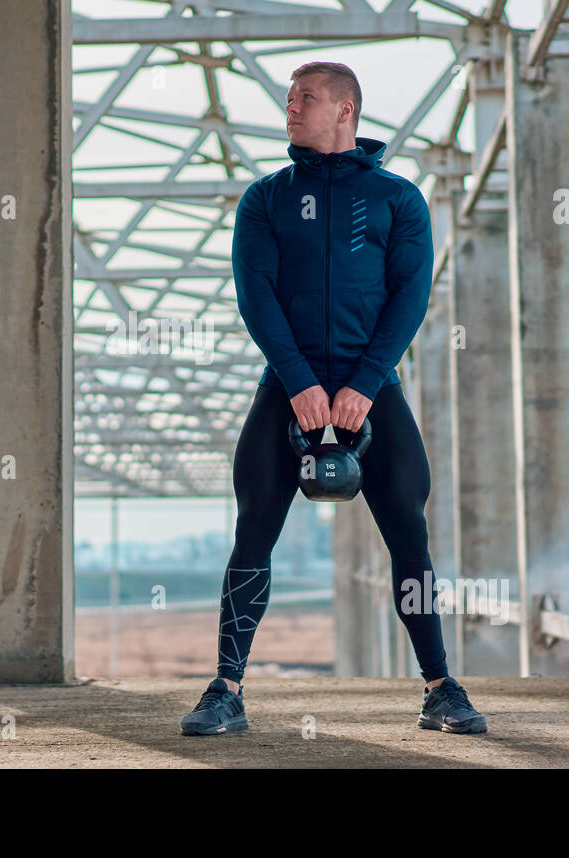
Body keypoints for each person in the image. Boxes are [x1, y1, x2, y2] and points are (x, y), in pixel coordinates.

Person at [180, 61, 486, 737]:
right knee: (252, 534)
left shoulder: (398, 199)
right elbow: (255, 293)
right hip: (286, 390)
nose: (292, 106)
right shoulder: (265, 199)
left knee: (410, 532)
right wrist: (298, 382)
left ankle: (440, 688)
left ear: (344, 110)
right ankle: (226, 690)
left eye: (306, 97)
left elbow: (411, 297)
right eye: (290, 98)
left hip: (371, 390)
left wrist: (366, 383)